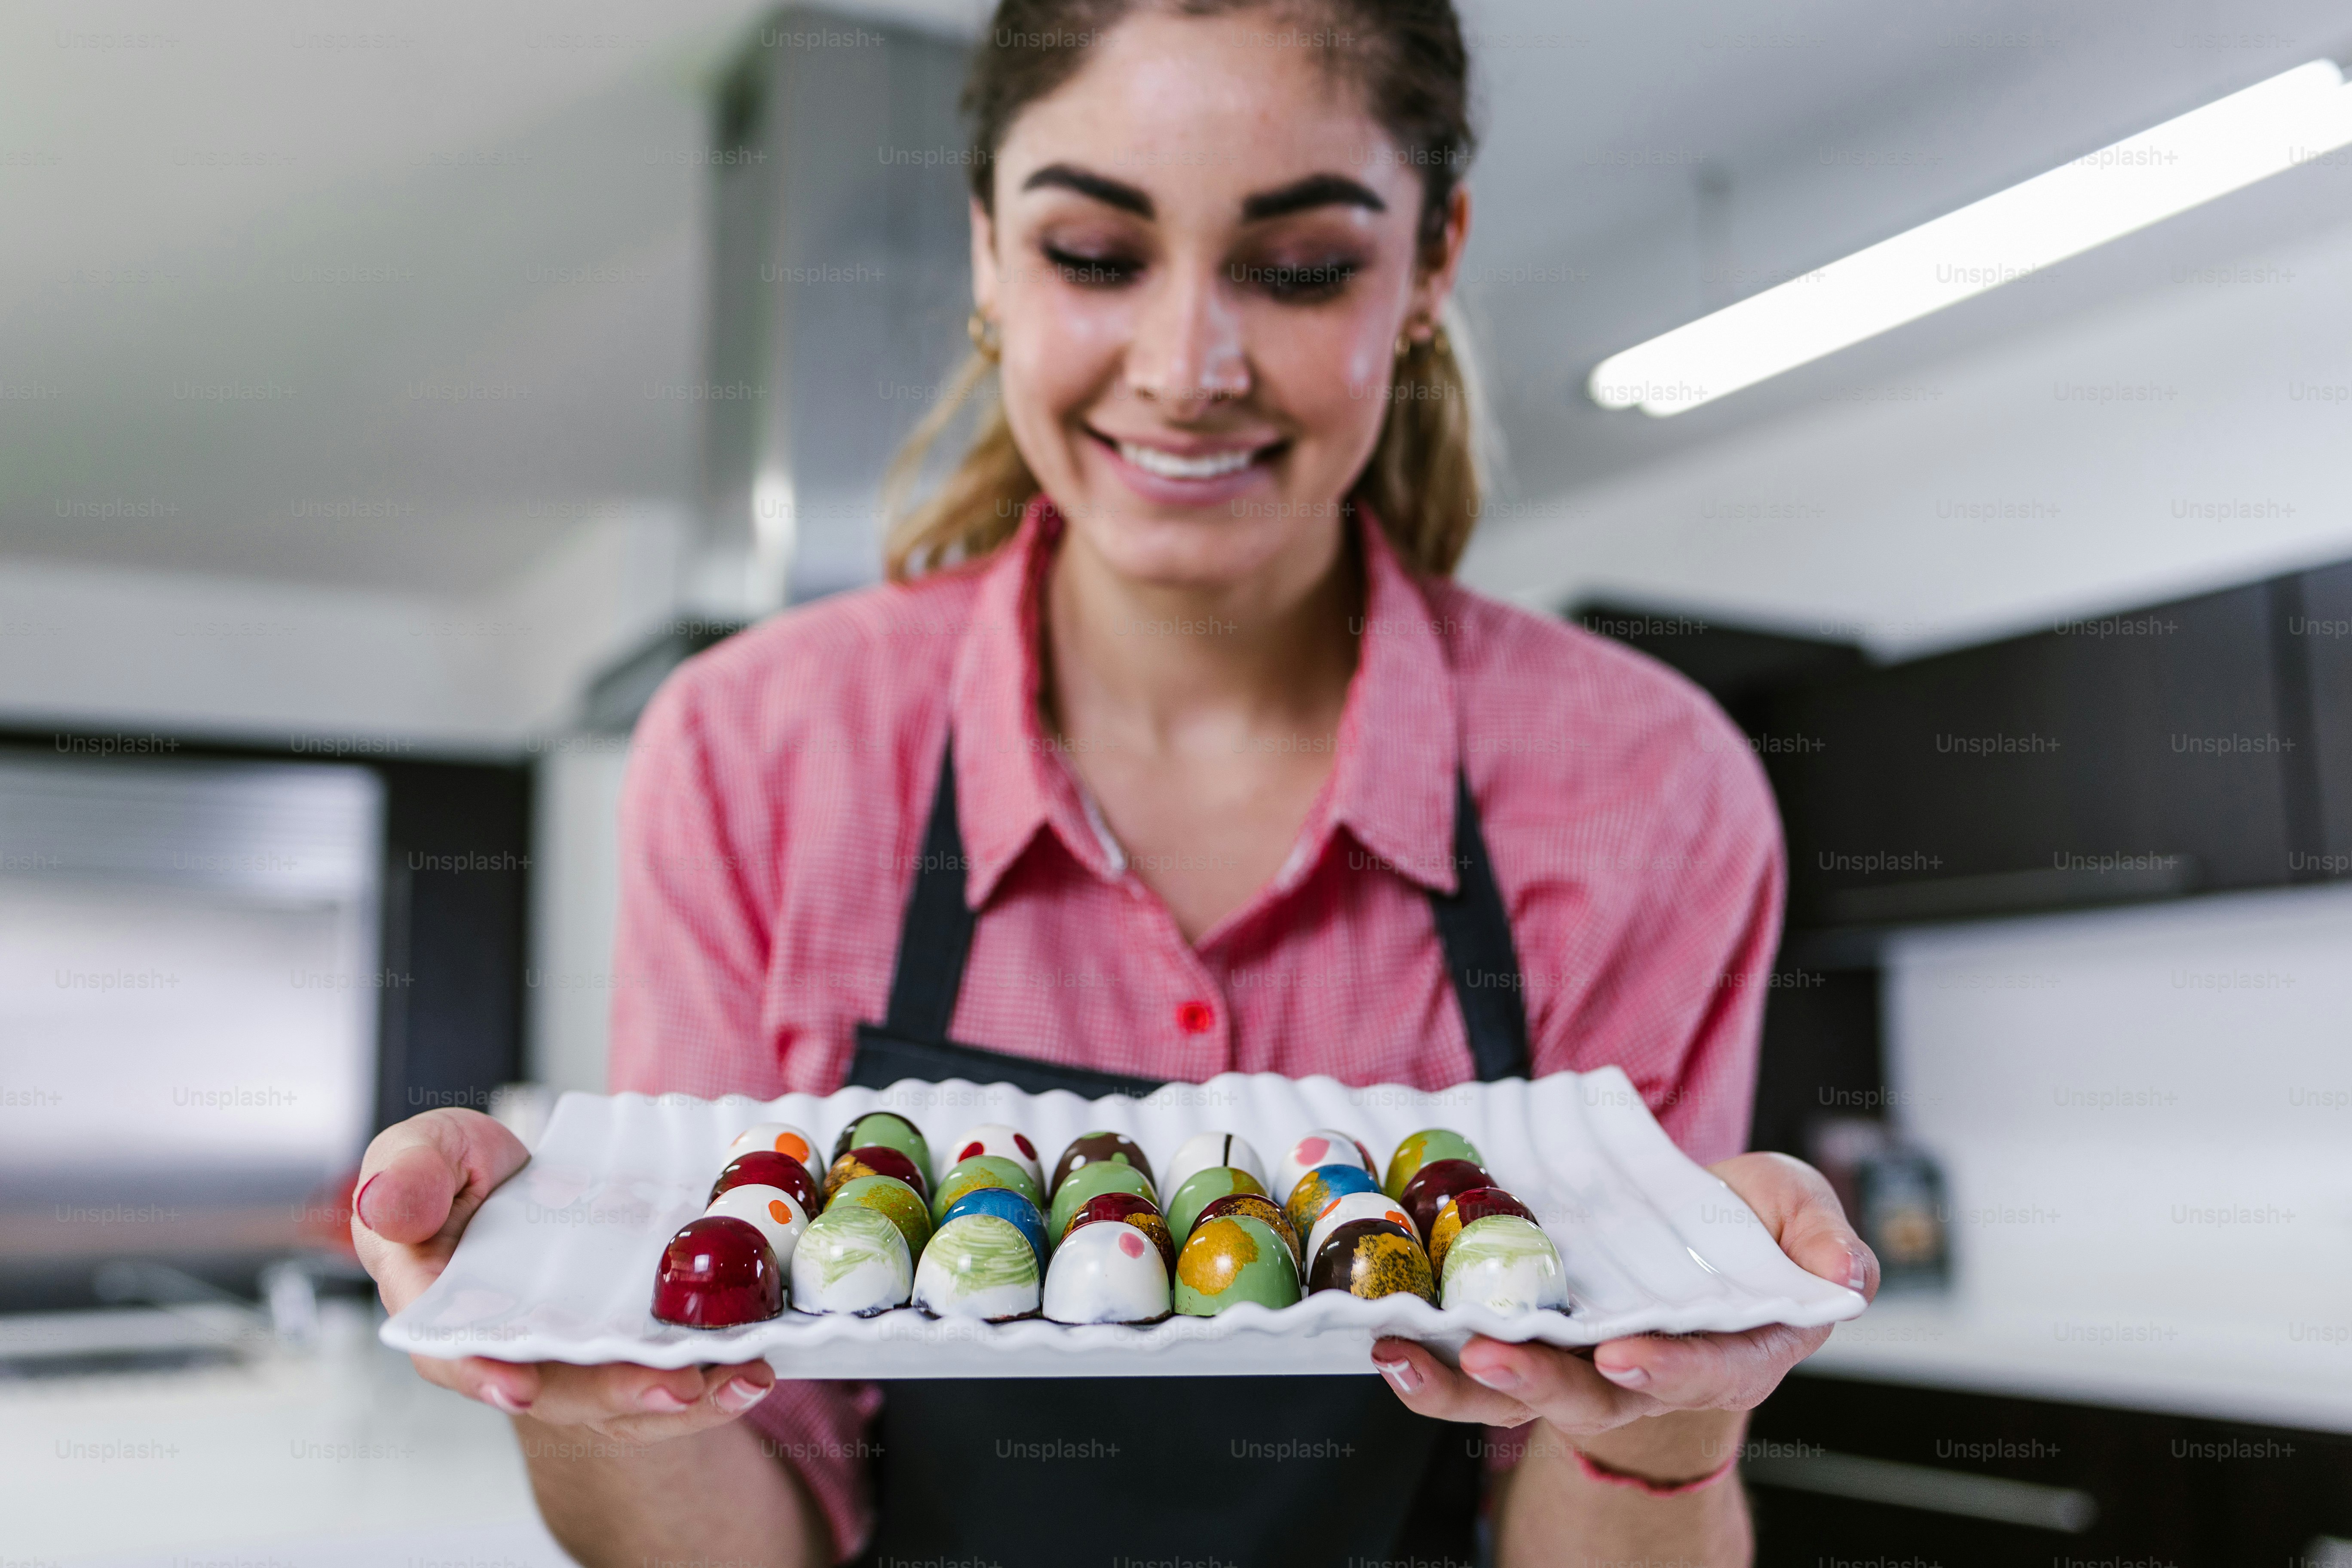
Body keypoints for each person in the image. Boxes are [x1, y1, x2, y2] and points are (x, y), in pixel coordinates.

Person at [351, 2, 1878, 1564]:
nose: (1188, 368)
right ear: (990, 263)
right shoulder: (757, 753)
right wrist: (578, 1352)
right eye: (1094, 253)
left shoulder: (1646, 788)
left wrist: (1681, 1402)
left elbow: (1587, 1502)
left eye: (1298, 268)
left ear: (1429, 267)